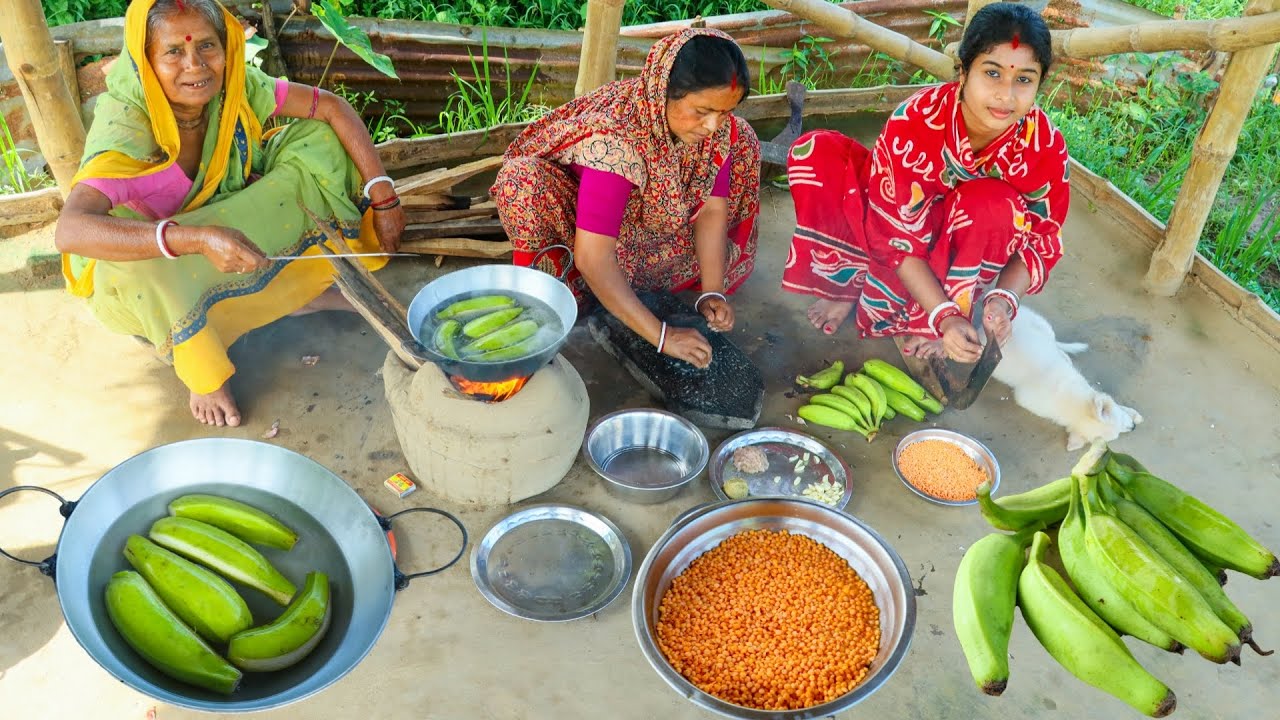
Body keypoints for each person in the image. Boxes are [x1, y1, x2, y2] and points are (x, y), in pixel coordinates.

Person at [54, 0, 405, 427]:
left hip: (224, 228)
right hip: (158, 272)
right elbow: (70, 231)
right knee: (133, 271)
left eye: (207, 46)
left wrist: (383, 195)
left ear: (227, 47)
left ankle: (298, 293)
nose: (195, 66)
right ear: (145, 59)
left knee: (319, 139)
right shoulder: (127, 124)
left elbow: (331, 108)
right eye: (173, 52)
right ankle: (202, 370)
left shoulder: (234, 87)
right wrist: (195, 239)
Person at [781, 2, 1068, 364]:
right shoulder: (916, 123)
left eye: (1024, 79)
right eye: (992, 73)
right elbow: (896, 241)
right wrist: (943, 315)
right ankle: (853, 287)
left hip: (964, 241)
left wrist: (1003, 299)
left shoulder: (1042, 145)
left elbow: (1043, 238)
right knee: (817, 154)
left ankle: (944, 309)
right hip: (899, 232)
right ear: (962, 73)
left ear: (1040, 83)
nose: (1006, 96)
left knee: (991, 205)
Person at [492, 28, 761, 370]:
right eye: (702, 111)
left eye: (723, 112)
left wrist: (712, 290)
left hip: (642, 227)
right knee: (523, 182)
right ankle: (572, 296)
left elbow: (711, 208)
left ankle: (633, 290)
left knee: (743, 139)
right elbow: (592, 258)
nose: (712, 125)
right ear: (665, 91)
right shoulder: (616, 141)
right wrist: (664, 336)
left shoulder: (715, 130)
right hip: (583, 231)